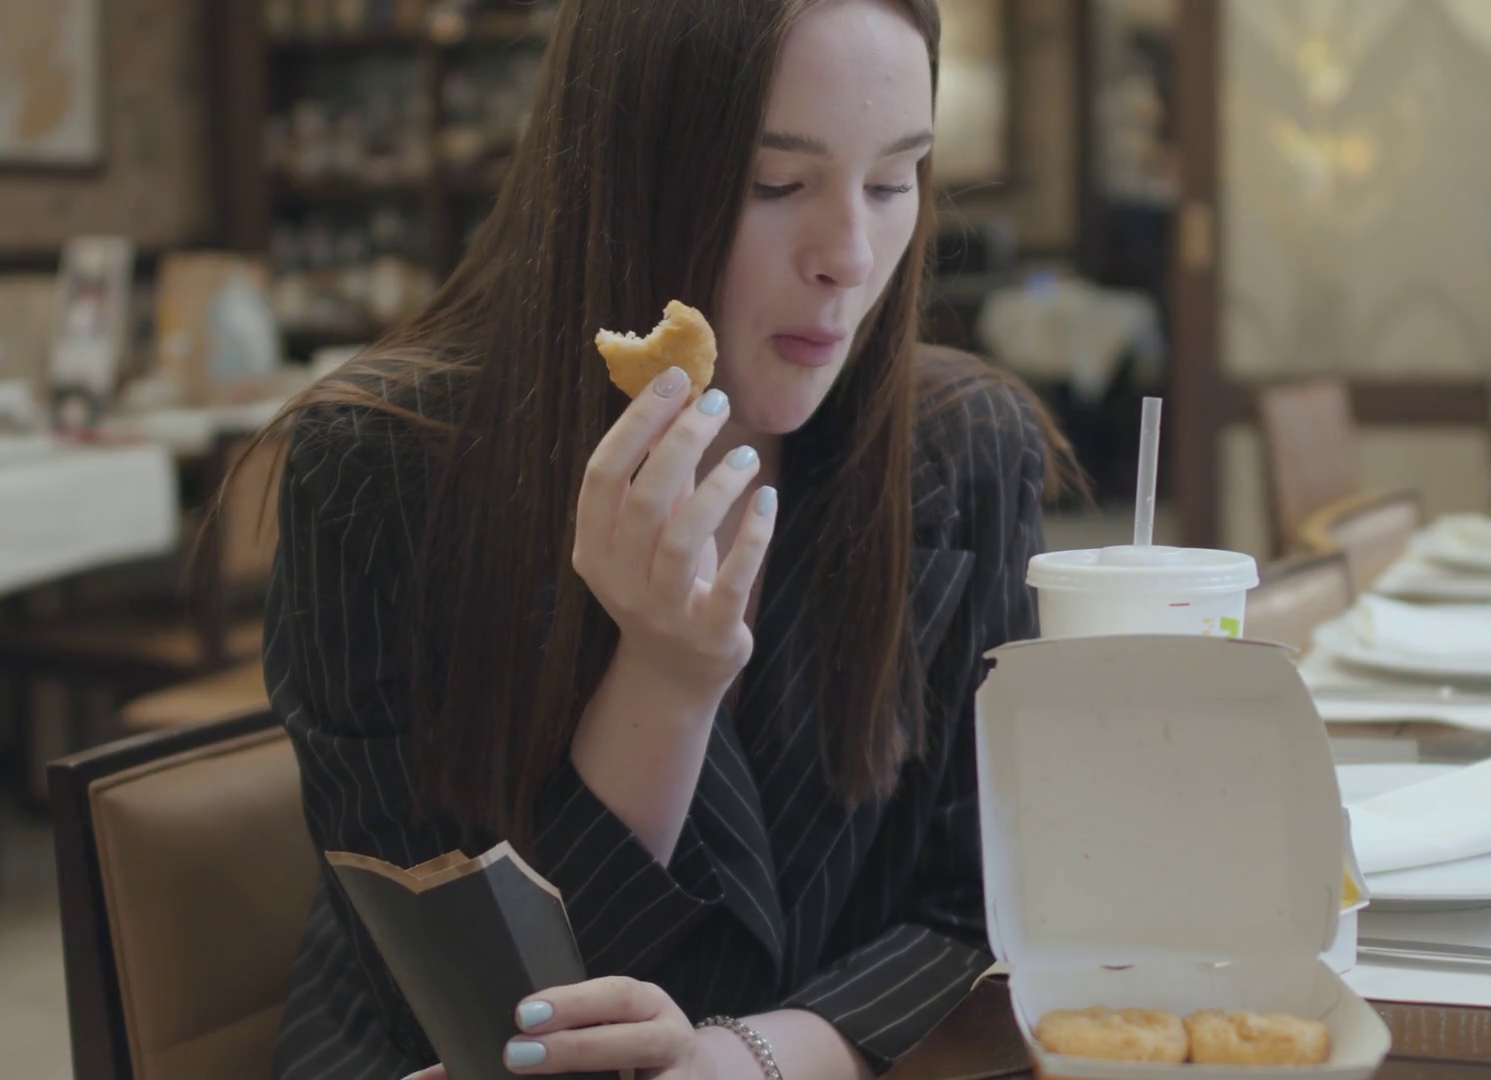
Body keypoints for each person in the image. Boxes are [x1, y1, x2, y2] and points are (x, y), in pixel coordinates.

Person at [252, 1, 1074, 1078]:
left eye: (893, 180)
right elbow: (482, 1013)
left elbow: (991, 906)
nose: (851, 256)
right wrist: (665, 683)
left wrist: (755, 1057)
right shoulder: (381, 471)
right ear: (621, 170)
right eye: (774, 185)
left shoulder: (964, 451)